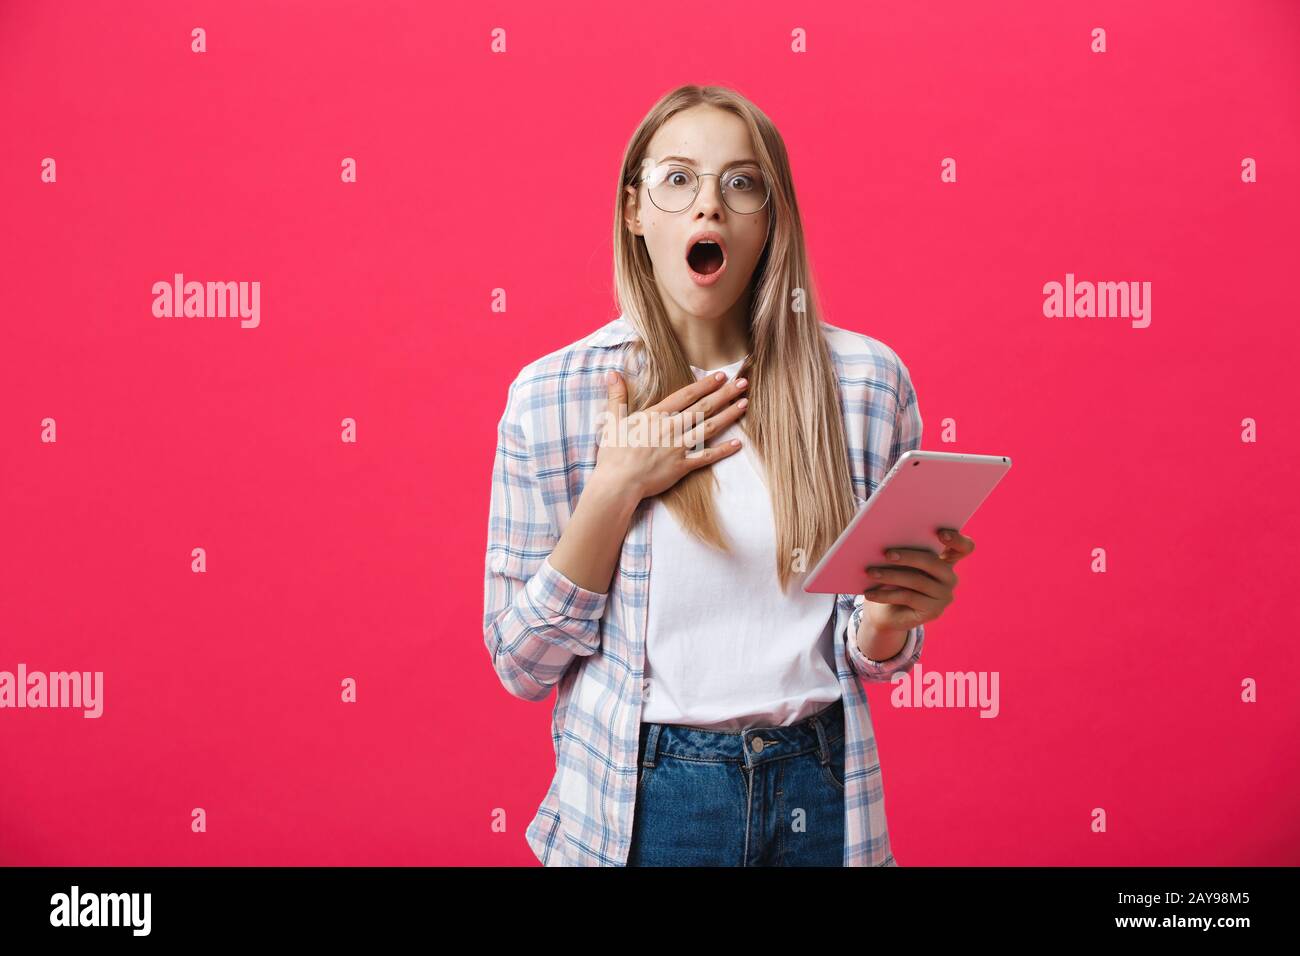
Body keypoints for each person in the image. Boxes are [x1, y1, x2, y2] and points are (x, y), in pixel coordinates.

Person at [483, 83, 975, 866]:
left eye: (741, 183)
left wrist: (890, 618)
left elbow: (871, 652)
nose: (709, 206)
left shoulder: (863, 384)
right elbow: (521, 664)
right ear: (634, 212)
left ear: (770, 219)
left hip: (821, 789)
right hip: (644, 804)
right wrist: (614, 489)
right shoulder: (553, 396)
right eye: (677, 179)